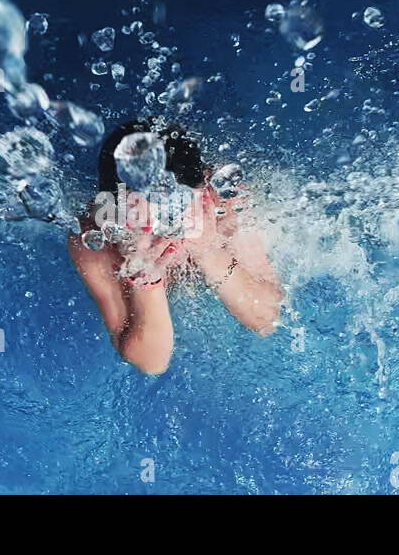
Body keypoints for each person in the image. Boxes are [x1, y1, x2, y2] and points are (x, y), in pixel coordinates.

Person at [68, 121, 283, 375]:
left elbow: (267, 319)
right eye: (144, 223)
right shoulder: (95, 238)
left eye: (175, 212)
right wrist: (146, 278)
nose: (164, 233)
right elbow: (151, 363)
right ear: (114, 213)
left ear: (203, 193)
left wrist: (209, 252)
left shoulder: (227, 203)